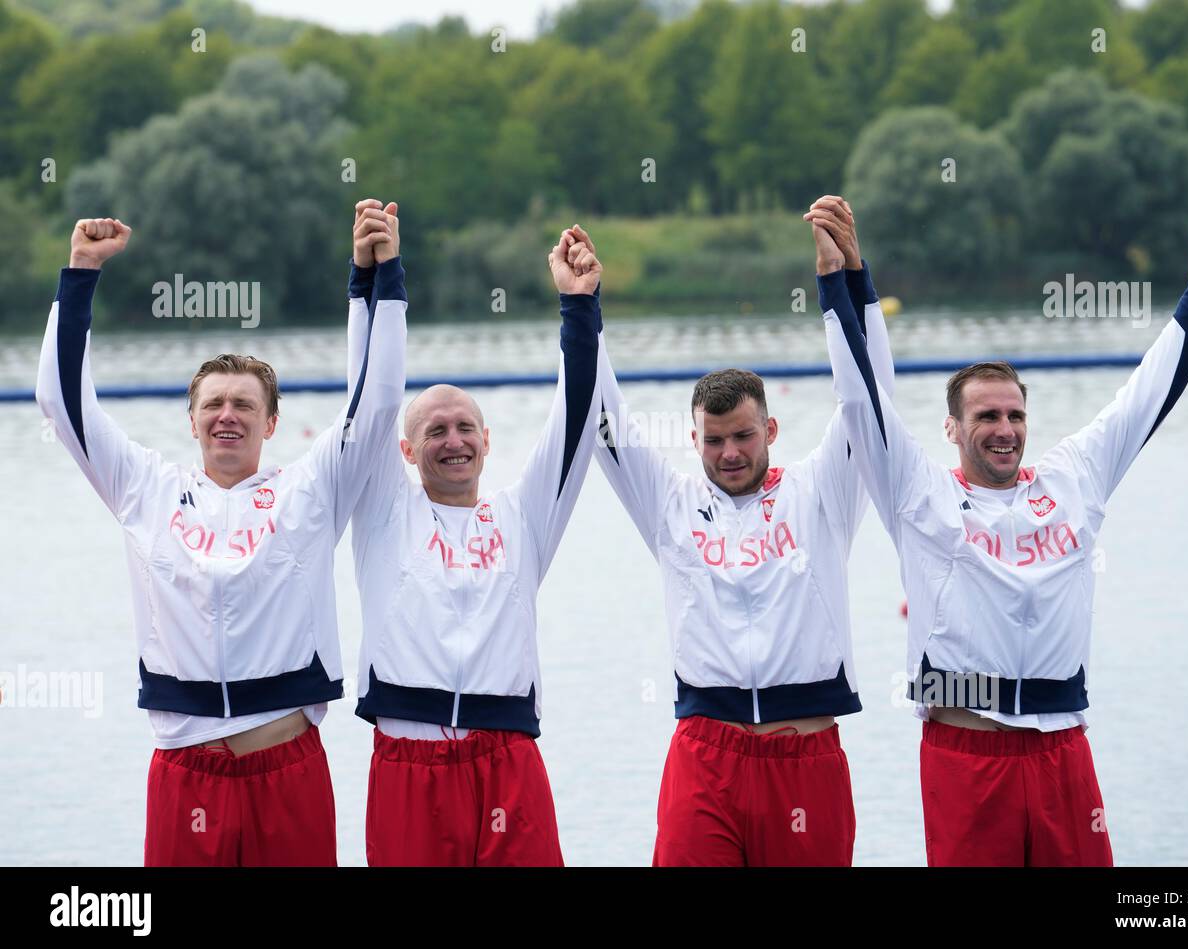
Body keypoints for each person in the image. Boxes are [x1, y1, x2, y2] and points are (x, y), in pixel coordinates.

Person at [813, 211, 1188, 866]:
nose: (1005, 429)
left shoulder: (1077, 476)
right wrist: (840, 278)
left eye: (1015, 414)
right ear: (953, 430)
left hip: (1062, 753)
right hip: (967, 757)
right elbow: (860, 398)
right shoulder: (915, 489)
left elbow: (1148, 391)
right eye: (986, 416)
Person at [34, 200, 407, 865]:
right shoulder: (143, 486)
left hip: (286, 769)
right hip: (186, 773)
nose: (227, 416)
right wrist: (81, 272)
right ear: (193, 421)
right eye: (213, 404)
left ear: (270, 425)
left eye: (244, 405)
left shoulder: (310, 489)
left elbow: (375, 405)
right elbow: (64, 403)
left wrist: (375, 277)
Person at [590, 198, 895, 867]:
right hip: (707, 755)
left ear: (771, 432)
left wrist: (844, 282)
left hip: (804, 758)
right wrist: (582, 306)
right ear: (695, 438)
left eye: (743, 437)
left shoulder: (822, 492)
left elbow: (869, 403)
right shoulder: (670, 502)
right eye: (714, 439)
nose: (729, 452)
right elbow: (603, 426)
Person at [353, 226, 604, 866]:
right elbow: (371, 400)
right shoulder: (384, 510)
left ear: (488, 442)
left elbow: (574, 422)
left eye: (466, 427)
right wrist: (376, 280)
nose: (453, 439)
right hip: (410, 765)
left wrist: (579, 305)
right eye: (435, 430)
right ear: (407, 452)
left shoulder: (522, 517)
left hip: (508, 756)